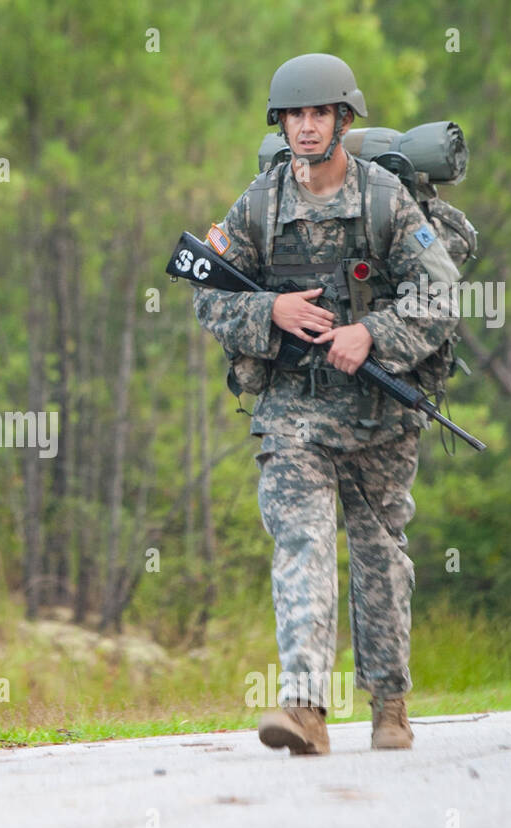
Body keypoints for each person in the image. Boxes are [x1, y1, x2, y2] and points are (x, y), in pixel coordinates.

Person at [193, 54, 461, 755]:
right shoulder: (259, 203)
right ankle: (305, 707)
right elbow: (208, 294)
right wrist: (268, 311)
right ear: (279, 123)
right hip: (293, 409)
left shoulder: (384, 200)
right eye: (295, 115)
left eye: (320, 113)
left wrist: (372, 333)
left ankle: (389, 702)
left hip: (380, 413)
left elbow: (440, 294)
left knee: (380, 556)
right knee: (303, 541)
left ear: (343, 119)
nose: (307, 126)